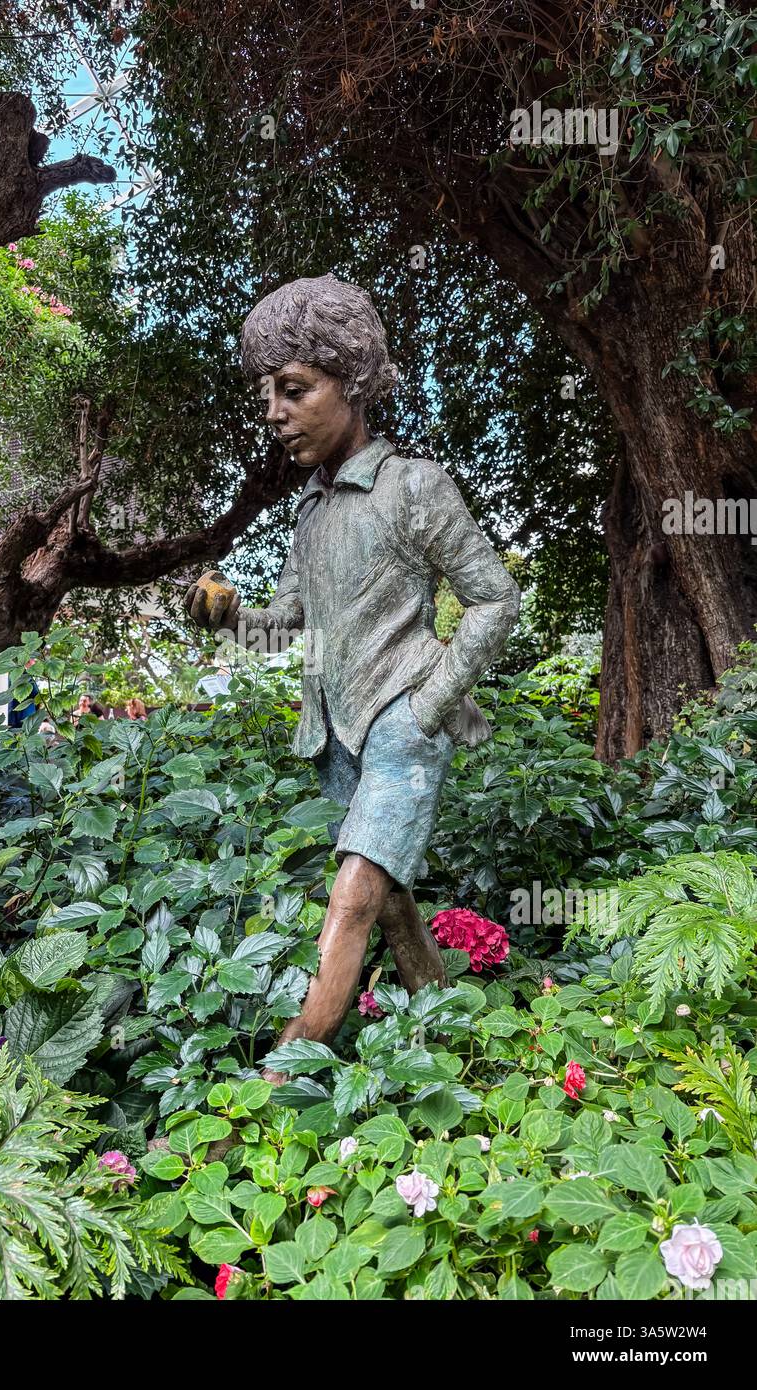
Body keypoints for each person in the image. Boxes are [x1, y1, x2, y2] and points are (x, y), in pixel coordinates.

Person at [183, 273, 521, 1083]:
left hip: (401, 721)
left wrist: (428, 704)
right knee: (388, 898)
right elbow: (282, 626)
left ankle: (279, 1075)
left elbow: (493, 598)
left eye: (294, 389)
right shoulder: (309, 510)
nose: (274, 411)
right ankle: (443, 1024)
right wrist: (226, 617)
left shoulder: (413, 485)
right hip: (335, 731)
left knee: (353, 895)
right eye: (266, 394)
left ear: (353, 380)